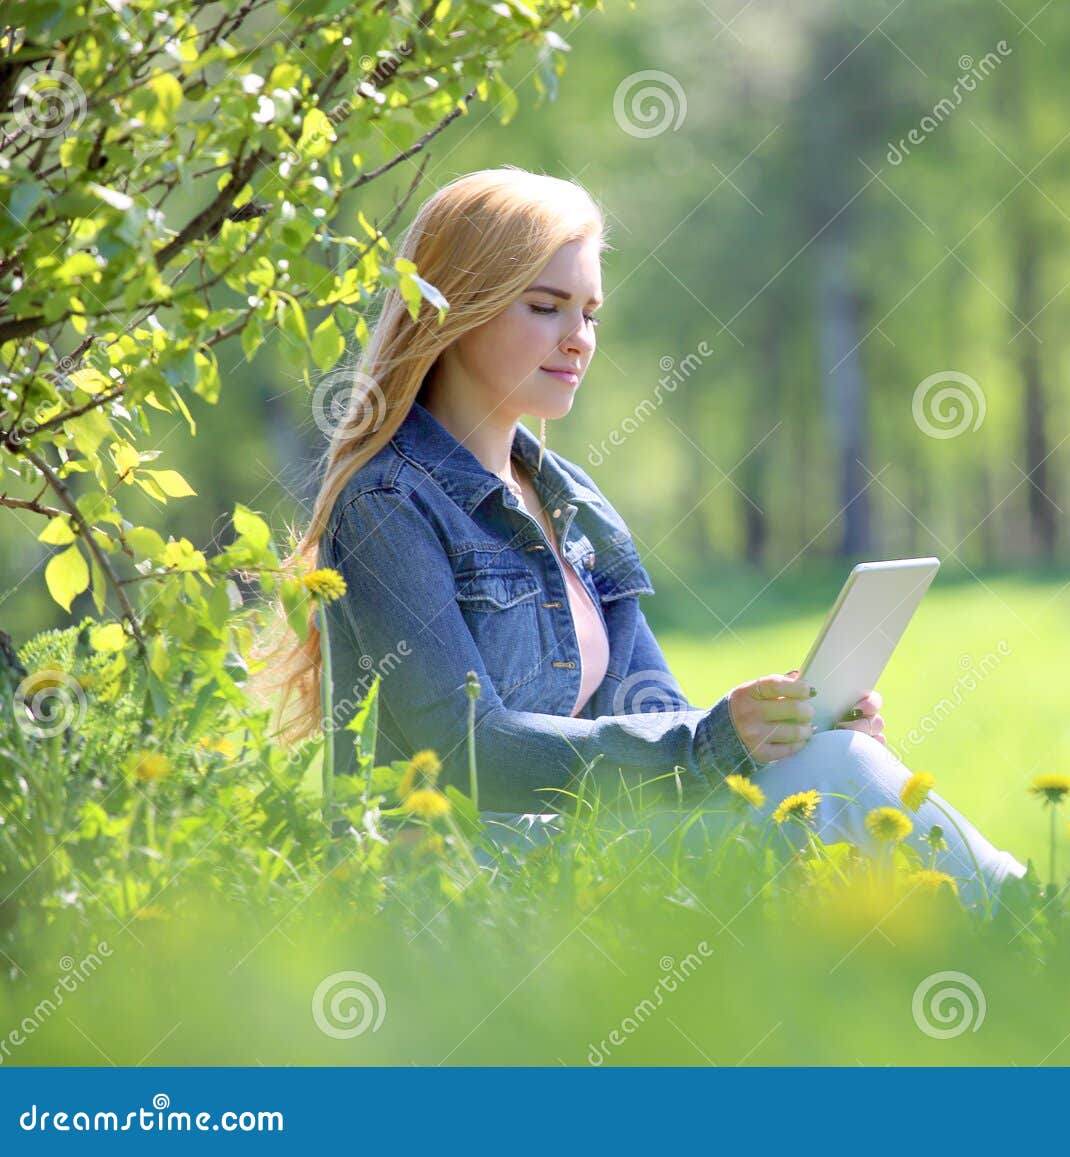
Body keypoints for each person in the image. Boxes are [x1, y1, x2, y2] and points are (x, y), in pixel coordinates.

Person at [265, 166, 1025, 909]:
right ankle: (1038, 921)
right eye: (546, 306)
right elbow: (465, 749)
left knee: (836, 761)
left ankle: (1019, 927)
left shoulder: (572, 501)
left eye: (590, 313)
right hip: (464, 883)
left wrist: (779, 729)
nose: (578, 339)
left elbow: (654, 708)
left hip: (585, 849)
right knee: (835, 785)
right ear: (457, 306)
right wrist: (709, 743)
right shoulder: (387, 502)